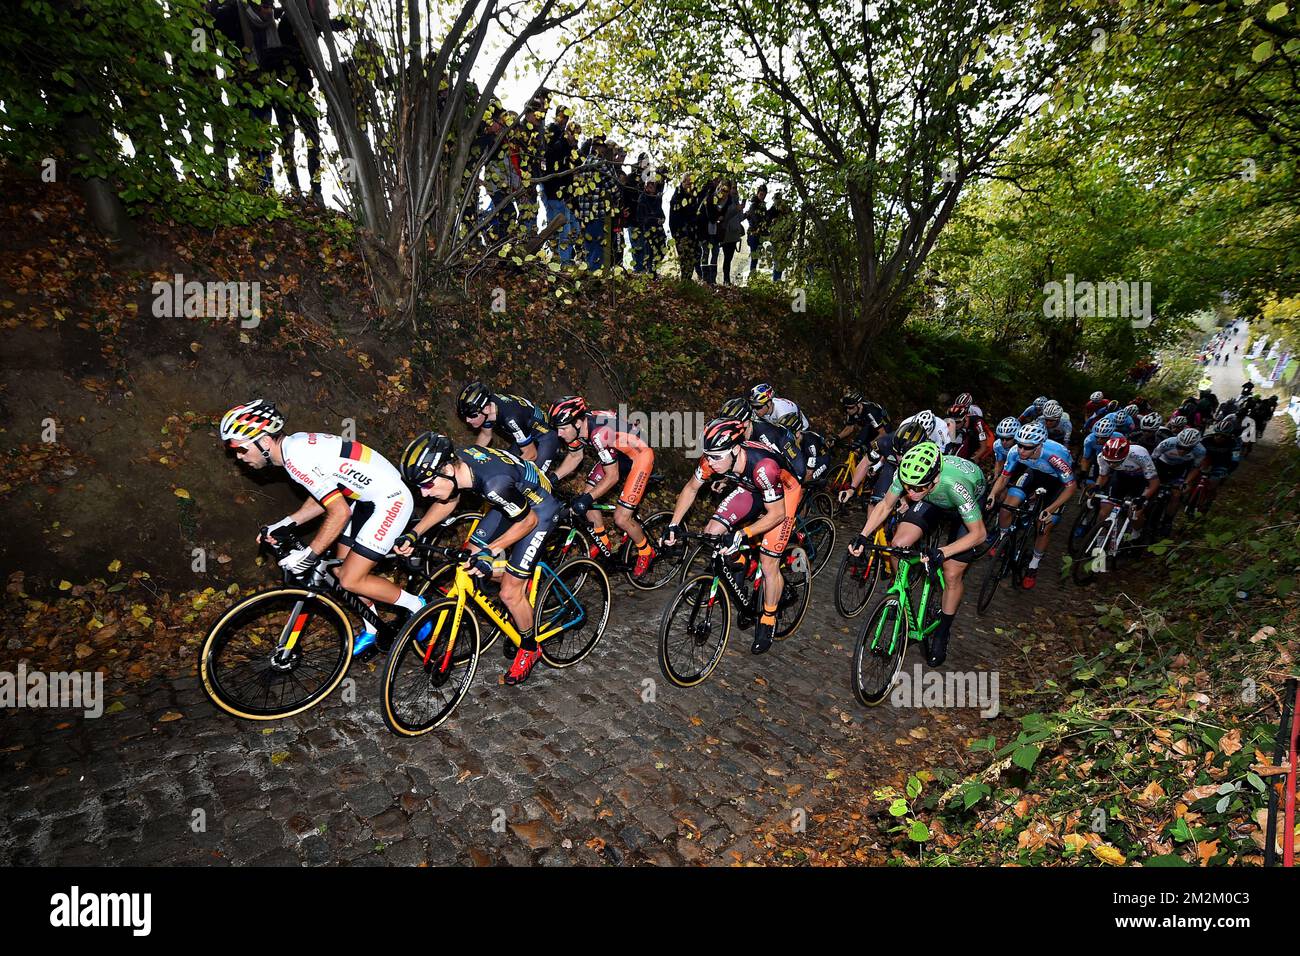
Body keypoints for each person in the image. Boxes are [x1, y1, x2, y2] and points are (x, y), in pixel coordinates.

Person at [219, 399, 422, 658]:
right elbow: (322, 496)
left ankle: (417, 607)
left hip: (390, 500)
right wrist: (285, 524)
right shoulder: (294, 448)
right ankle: (373, 628)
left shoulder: (297, 457)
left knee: (351, 578)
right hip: (363, 498)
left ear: (265, 441)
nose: (238, 457)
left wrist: (309, 555)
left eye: (241, 449)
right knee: (338, 569)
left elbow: (339, 512)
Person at [395, 434, 560, 685]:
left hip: (538, 510)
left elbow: (528, 521)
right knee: (469, 554)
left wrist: (491, 550)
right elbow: (447, 502)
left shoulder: (493, 483)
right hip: (511, 499)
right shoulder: (457, 467)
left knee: (508, 592)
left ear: (448, 469)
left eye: (427, 485)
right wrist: (414, 533)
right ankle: (512, 579)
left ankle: (529, 647)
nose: (424, 493)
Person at [662, 419, 802, 654]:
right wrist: (674, 524)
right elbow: (691, 488)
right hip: (750, 488)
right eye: (708, 456)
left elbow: (776, 514)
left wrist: (742, 533)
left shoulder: (763, 466)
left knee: (769, 564)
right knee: (712, 532)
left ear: (736, 450)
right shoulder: (714, 459)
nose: (711, 463)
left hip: (782, 495)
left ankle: (768, 618)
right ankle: (738, 563)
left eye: (717, 457)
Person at [847, 442, 987, 666]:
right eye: (907, 486)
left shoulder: (953, 484)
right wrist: (863, 534)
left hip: (963, 500)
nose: (910, 493)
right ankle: (898, 592)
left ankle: (942, 632)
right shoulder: (908, 476)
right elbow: (885, 505)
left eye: (917, 487)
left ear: (934, 480)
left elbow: (979, 534)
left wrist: (942, 552)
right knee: (899, 544)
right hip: (933, 500)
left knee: (951, 573)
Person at [549, 396, 658, 578]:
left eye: (562, 429)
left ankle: (646, 551)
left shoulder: (597, 433)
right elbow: (575, 457)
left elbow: (612, 476)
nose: (559, 434)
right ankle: (603, 541)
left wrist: (588, 499)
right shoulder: (577, 427)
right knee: (587, 494)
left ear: (577, 422)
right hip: (616, 450)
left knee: (621, 518)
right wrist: (553, 478)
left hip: (639, 456)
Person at [985, 422, 1076, 589]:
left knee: (1044, 525)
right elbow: (1004, 477)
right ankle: (1004, 540)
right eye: (1019, 445)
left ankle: (1033, 566)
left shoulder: (1055, 456)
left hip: (1057, 481)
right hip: (1033, 473)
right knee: (1006, 509)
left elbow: (1071, 487)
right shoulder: (1015, 452)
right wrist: (992, 494)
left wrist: (1050, 509)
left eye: (1027, 448)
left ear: (1038, 446)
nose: (1021, 450)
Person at [455, 382, 562, 476]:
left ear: (486, 409)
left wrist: (501, 471)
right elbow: (485, 435)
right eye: (465, 416)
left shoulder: (510, 418)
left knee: (529, 479)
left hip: (546, 437)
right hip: (525, 433)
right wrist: (467, 458)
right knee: (505, 466)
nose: (467, 420)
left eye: (472, 416)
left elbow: (531, 454)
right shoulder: (488, 408)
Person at [542, 108, 579, 263]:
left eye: (567, 117)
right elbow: (551, 156)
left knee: (566, 228)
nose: (564, 120)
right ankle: (562, 261)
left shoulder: (567, 143)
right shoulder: (553, 133)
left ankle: (559, 259)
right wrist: (565, 141)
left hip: (563, 192)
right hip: (554, 190)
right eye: (563, 117)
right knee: (562, 228)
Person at [669, 173, 703, 281]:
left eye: (692, 183)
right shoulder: (677, 197)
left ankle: (687, 280)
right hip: (681, 233)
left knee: (696, 254)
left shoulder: (694, 195)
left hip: (693, 232)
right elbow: (684, 213)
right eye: (688, 183)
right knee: (685, 258)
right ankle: (685, 281)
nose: (690, 186)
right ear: (683, 182)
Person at [744, 185, 769, 278]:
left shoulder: (762, 206)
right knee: (754, 257)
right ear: (758, 194)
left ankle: (753, 276)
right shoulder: (754, 205)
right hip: (754, 234)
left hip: (759, 234)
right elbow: (756, 220)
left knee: (756, 257)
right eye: (761, 194)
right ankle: (752, 276)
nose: (763, 196)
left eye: (764, 195)